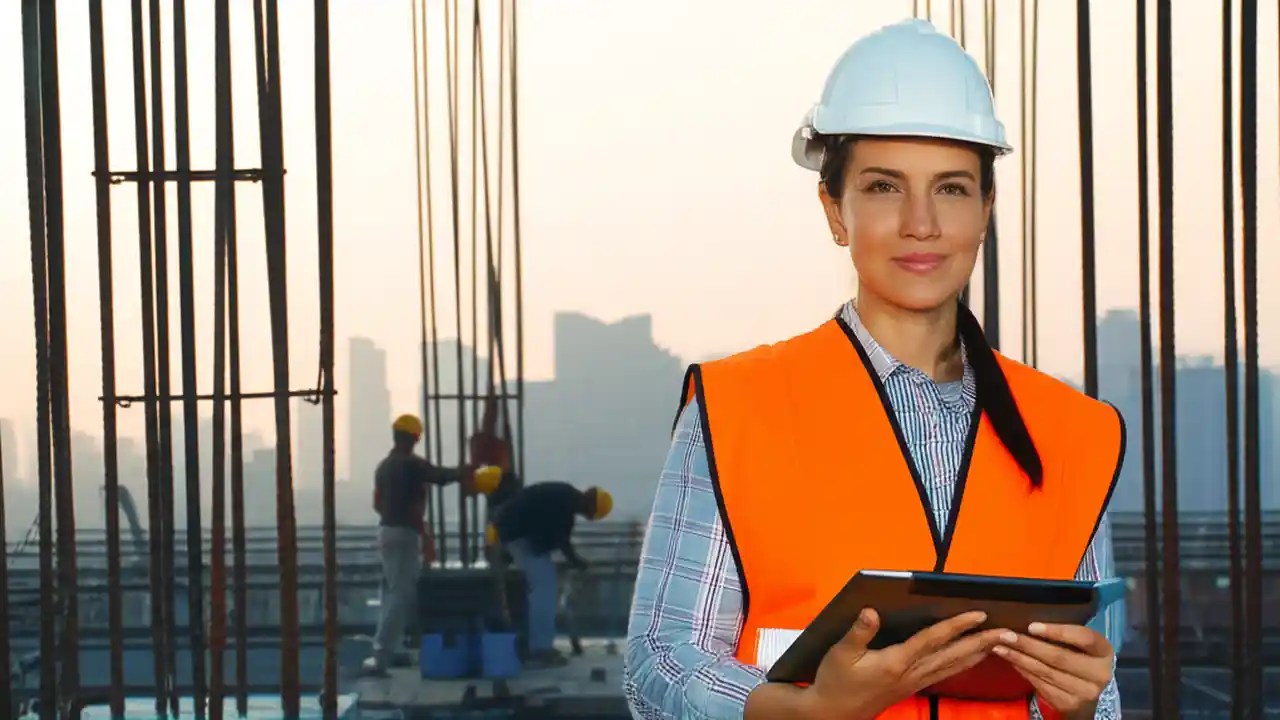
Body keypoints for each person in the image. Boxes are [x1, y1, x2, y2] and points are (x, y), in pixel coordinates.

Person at [624, 18, 1125, 720]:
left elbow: (1096, 689)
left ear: (986, 209)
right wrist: (805, 712)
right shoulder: (737, 408)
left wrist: (1077, 709)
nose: (921, 223)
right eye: (885, 187)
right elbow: (662, 659)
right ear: (835, 209)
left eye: (951, 188)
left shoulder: (1075, 433)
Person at [362, 413, 489, 675]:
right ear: (415, 437)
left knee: (393, 590)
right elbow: (440, 476)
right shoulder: (411, 464)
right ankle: (381, 654)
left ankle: (389, 650)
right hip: (404, 533)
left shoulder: (383, 466)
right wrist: (465, 471)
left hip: (385, 531)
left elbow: (377, 502)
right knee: (401, 594)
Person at [487, 481, 613, 667]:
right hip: (515, 536)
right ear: (589, 504)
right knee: (544, 588)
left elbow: (555, 535)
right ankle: (540, 649)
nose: (586, 516)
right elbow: (561, 540)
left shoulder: (564, 496)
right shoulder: (565, 504)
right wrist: (577, 562)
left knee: (539, 583)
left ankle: (533, 644)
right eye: (589, 514)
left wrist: (572, 558)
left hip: (510, 531)